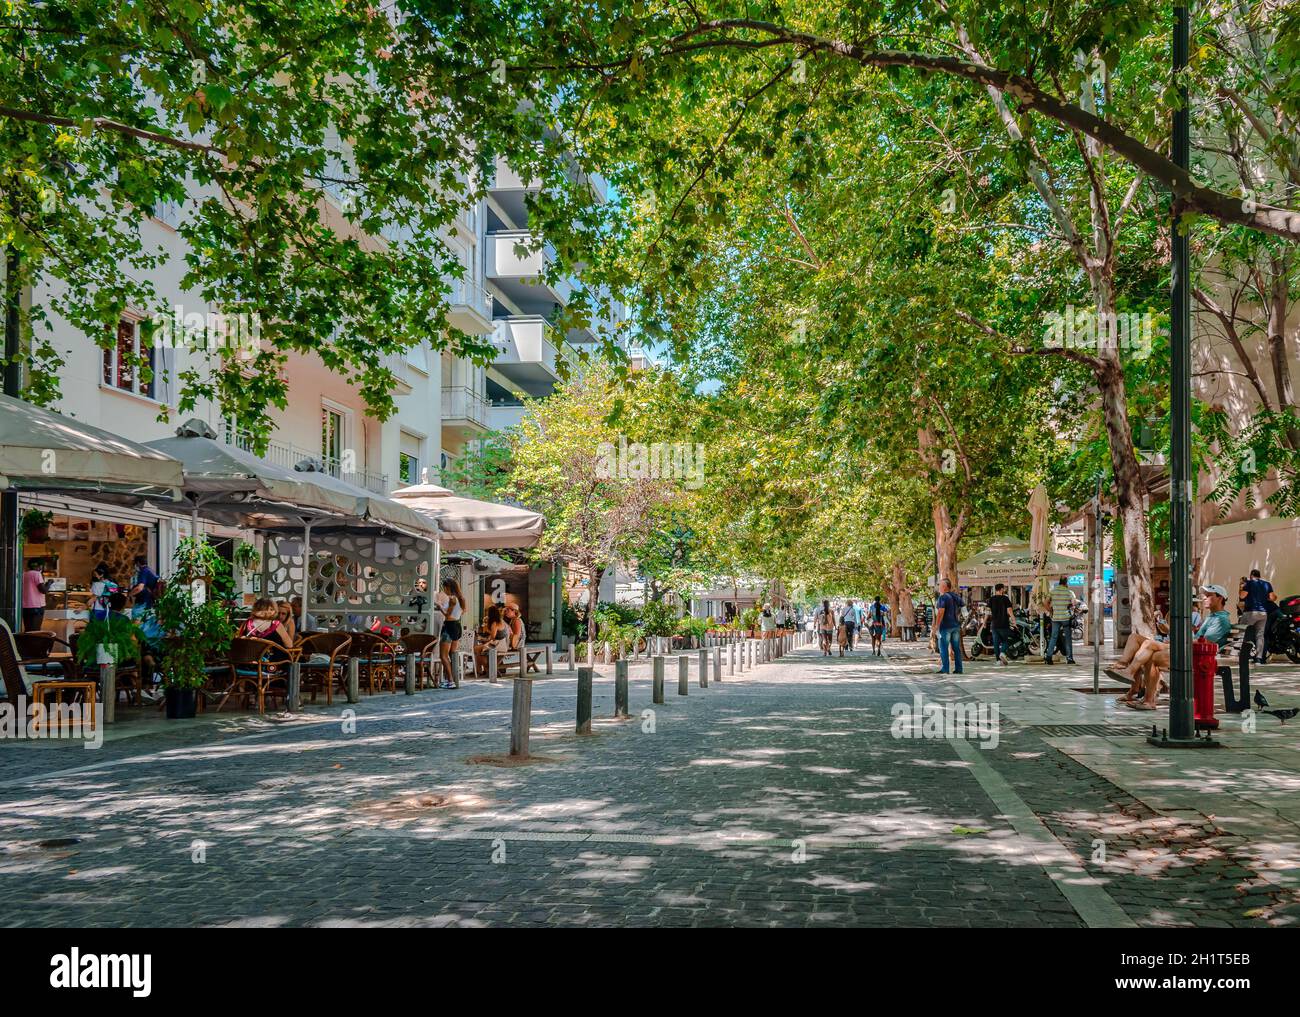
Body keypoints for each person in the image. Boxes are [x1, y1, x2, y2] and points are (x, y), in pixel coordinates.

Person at [1125, 585, 1232, 710]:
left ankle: (1145, 696)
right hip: (1191, 651)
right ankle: (1139, 690)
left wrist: (1174, 638)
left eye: (1209, 596)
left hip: (1198, 658)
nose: (1204, 598)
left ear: (1220, 598)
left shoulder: (1221, 620)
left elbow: (1204, 644)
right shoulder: (1212, 617)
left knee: (1151, 654)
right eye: (1205, 595)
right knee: (1140, 642)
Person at [435, 579, 466, 689]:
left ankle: (450, 681)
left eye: (445, 588)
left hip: (448, 626)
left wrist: (439, 607)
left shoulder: (452, 599)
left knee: (443, 656)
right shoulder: (461, 599)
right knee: (452, 654)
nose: (444, 591)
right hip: (457, 626)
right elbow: (462, 611)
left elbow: (447, 615)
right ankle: (453, 680)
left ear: (449, 587)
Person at [1239, 569, 1273, 665]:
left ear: (1251, 576)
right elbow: (1273, 597)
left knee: (1242, 633)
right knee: (1260, 635)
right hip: (1263, 613)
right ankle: (1258, 658)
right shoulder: (1267, 584)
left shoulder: (1249, 583)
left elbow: (1242, 596)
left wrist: (1241, 587)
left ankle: (1242, 656)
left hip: (1250, 612)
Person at [1044, 575, 1077, 665]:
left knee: (1053, 637)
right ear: (1066, 583)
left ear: (1059, 582)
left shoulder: (1052, 592)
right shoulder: (1069, 592)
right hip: (1066, 618)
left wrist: (1050, 611)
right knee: (1067, 638)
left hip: (1055, 618)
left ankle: (1049, 658)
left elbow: (1045, 602)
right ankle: (1069, 658)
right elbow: (1074, 603)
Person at [932, 580, 963, 674]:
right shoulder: (956, 596)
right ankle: (959, 669)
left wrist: (936, 626)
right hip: (956, 626)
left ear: (945, 587)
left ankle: (945, 669)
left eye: (940, 585)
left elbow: (941, 612)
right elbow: (964, 609)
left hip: (945, 626)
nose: (939, 587)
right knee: (956, 648)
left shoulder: (943, 597)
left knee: (943, 647)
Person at [474, 604, 509, 677]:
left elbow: (493, 637)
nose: (486, 614)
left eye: (487, 612)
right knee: (477, 649)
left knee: (478, 650)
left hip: (498, 645)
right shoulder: (501, 621)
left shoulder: (494, 623)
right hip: (503, 644)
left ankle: (486, 669)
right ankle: (480, 670)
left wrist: (486, 630)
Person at [987, 582, 1016, 665]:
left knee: (996, 643)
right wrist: (1014, 621)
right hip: (1004, 623)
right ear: (1001, 589)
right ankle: (1002, 652)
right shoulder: (1005, 599)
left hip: (994, 624)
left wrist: (984, 622)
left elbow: (987, 612)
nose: (1005, 589)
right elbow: (1009, 611)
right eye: (1004, 588)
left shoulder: (991, 599)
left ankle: (998, 661)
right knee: (1006, 640)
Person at [21, 558, 52, 633]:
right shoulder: (37, 574)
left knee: (28, 630)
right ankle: (32, 644)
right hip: (37, 606)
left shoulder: (24, 574)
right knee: (35, 632)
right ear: (40, 566)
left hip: (25, 606)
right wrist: (49, 583)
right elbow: (43, 590)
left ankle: (27, 644)